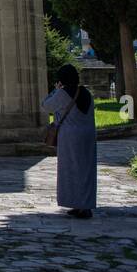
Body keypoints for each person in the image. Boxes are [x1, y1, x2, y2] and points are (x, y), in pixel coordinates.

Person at [43, 64, 96, 218]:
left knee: (71, 170)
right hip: (88, 135)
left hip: (70, 136)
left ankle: (79, 204)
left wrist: (56, 89)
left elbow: (46, 106)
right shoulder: (86, 93)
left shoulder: (62, 93)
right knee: (86, 170)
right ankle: (82, 204)